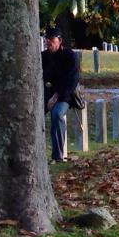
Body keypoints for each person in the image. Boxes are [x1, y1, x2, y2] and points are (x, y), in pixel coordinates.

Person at [40, 27, 80, 162]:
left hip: (63, 95)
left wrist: (56, 96)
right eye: (47, 41)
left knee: (57, 114)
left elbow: (72, 80)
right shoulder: (43, 57)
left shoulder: (69, 56)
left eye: (52, 40)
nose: (49, 43)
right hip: (45, 95)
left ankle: (58, 156)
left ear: (59, 41)